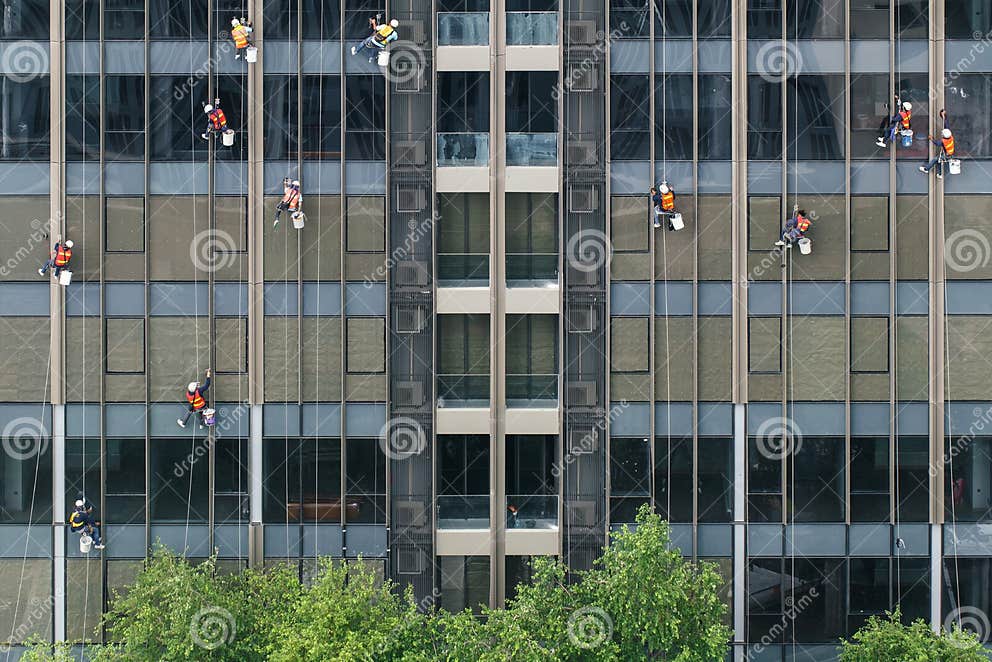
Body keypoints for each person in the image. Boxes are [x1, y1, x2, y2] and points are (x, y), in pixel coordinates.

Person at [919, 109, 954, 180]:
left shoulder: (944, 141)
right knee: (939, 160)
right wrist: (943, 117)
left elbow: (937, 143)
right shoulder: (950, 137)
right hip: (950, 153)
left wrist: (931, 138)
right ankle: (939, 174)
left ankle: (926, 169)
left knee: (935, 159)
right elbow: (946, 125)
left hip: (947, 155)